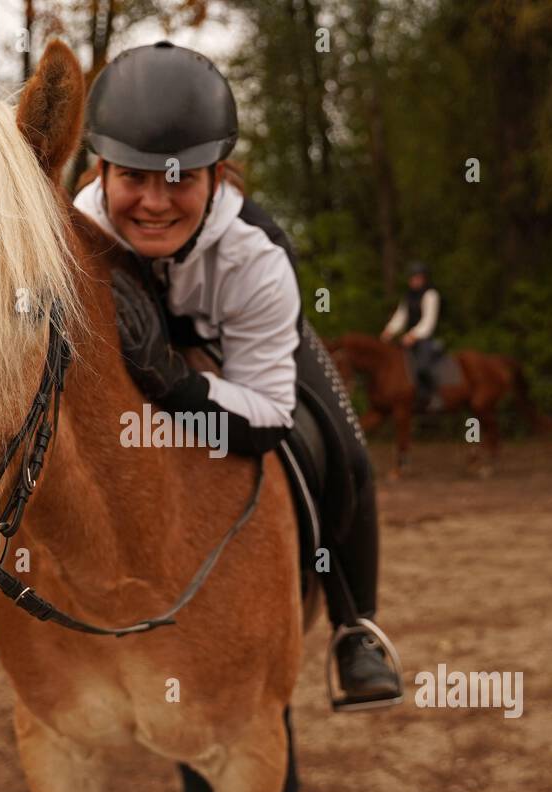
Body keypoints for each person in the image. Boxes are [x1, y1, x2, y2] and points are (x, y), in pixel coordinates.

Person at [74, 41, 404, 718]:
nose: (156, 203)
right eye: (134, 177)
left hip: (243, 360)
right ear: (100, 168)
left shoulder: (256, 255)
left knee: (342, 446)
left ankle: (355, 626)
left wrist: (173, 384)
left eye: (182, 180)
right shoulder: (74, 233)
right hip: (137, 370)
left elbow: (266, 417)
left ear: (217, 175)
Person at [381, 261, 444, 408]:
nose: (414, 280)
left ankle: (434, 397)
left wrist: (413, 335)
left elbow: (429, 321)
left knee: (422, 367)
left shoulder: (431, 295)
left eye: (418, 277)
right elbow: (400, 317)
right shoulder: (408, 296)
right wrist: (389, 330)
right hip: (407, 339)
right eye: (412, 277)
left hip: (424, 339)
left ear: (424, 279)